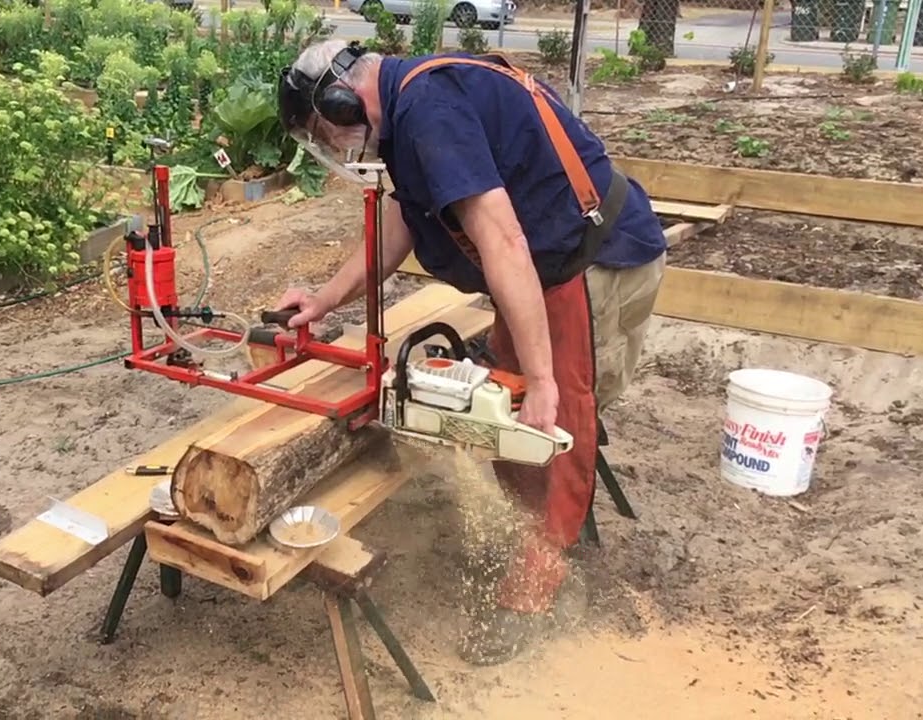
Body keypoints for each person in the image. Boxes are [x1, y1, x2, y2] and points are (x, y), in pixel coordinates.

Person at [273, 39, 668, 666]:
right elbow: (400, 224)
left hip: (589, 266)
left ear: (345, 100)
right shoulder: (410, 109)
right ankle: (524, 531)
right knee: (510, 411)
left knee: (554, 420)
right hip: (545, 269)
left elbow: (504, 241)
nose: (338, 146)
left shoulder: (428, 108)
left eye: (327, 132)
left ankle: (537, 580)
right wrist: (324, 300)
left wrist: (543, 379)